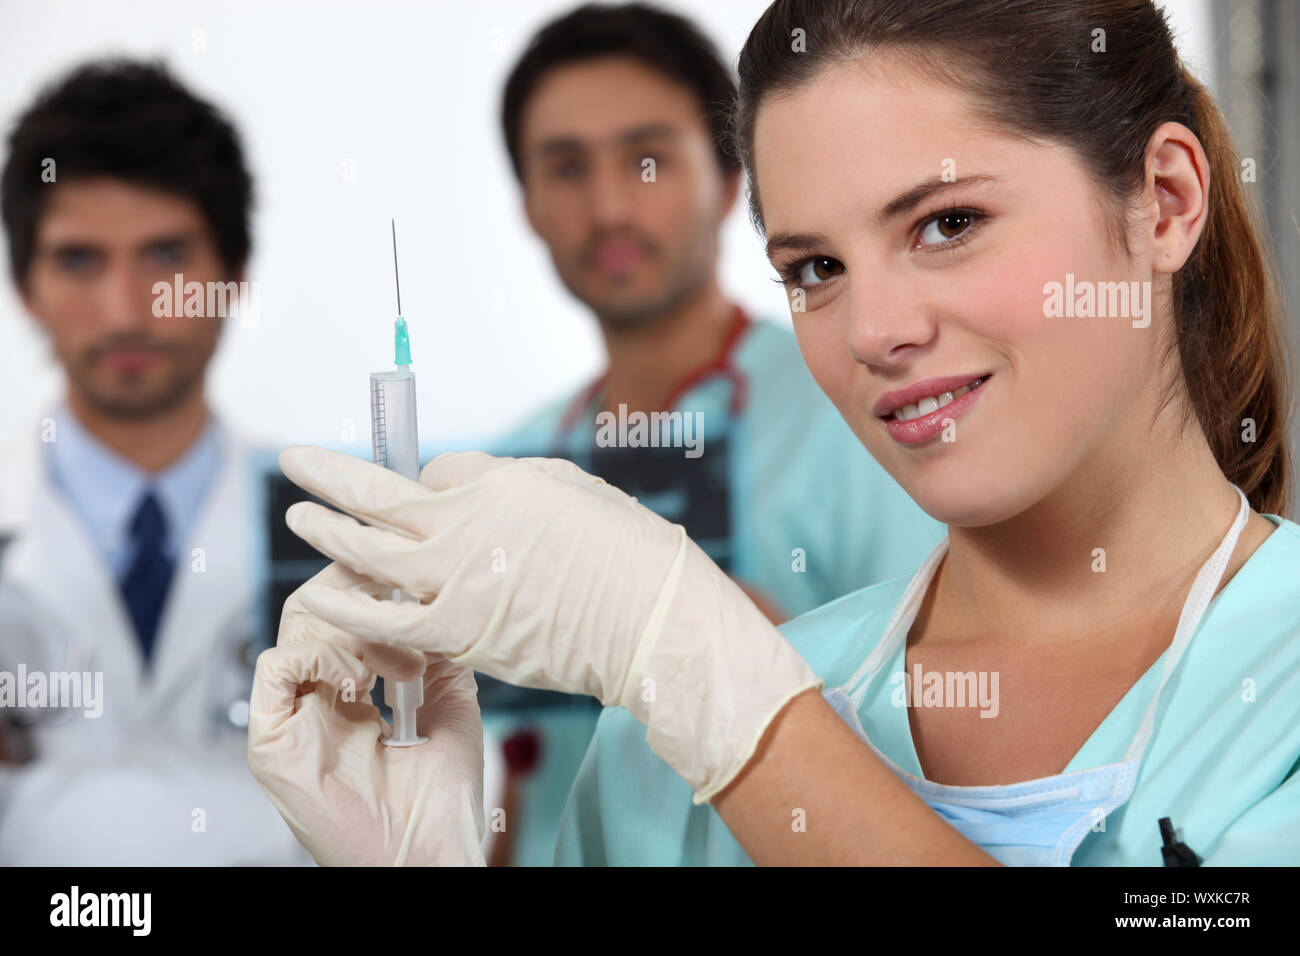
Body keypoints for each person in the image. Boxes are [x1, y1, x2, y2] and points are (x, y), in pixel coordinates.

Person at [248, 0, 1299, 867]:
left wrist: (712, 682)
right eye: (815, 269)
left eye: (947, 223)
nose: (876, 332)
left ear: (1164, 201)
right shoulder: (669, 734)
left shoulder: (707, 693)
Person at [483, 1, 943, 865]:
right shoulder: (518, 460)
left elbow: (948, 705)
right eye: (566, 167)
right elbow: (528, 762)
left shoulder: (863, 400)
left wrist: (730, 646)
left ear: (733, 183)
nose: (610, 206)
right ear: (529, 205)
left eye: (648, 160)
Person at [0, 59, 306, 864]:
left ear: (234, 277)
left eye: (166, 255)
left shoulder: (332, 541)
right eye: (78, 260)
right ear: (23, 284)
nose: (127, 310)